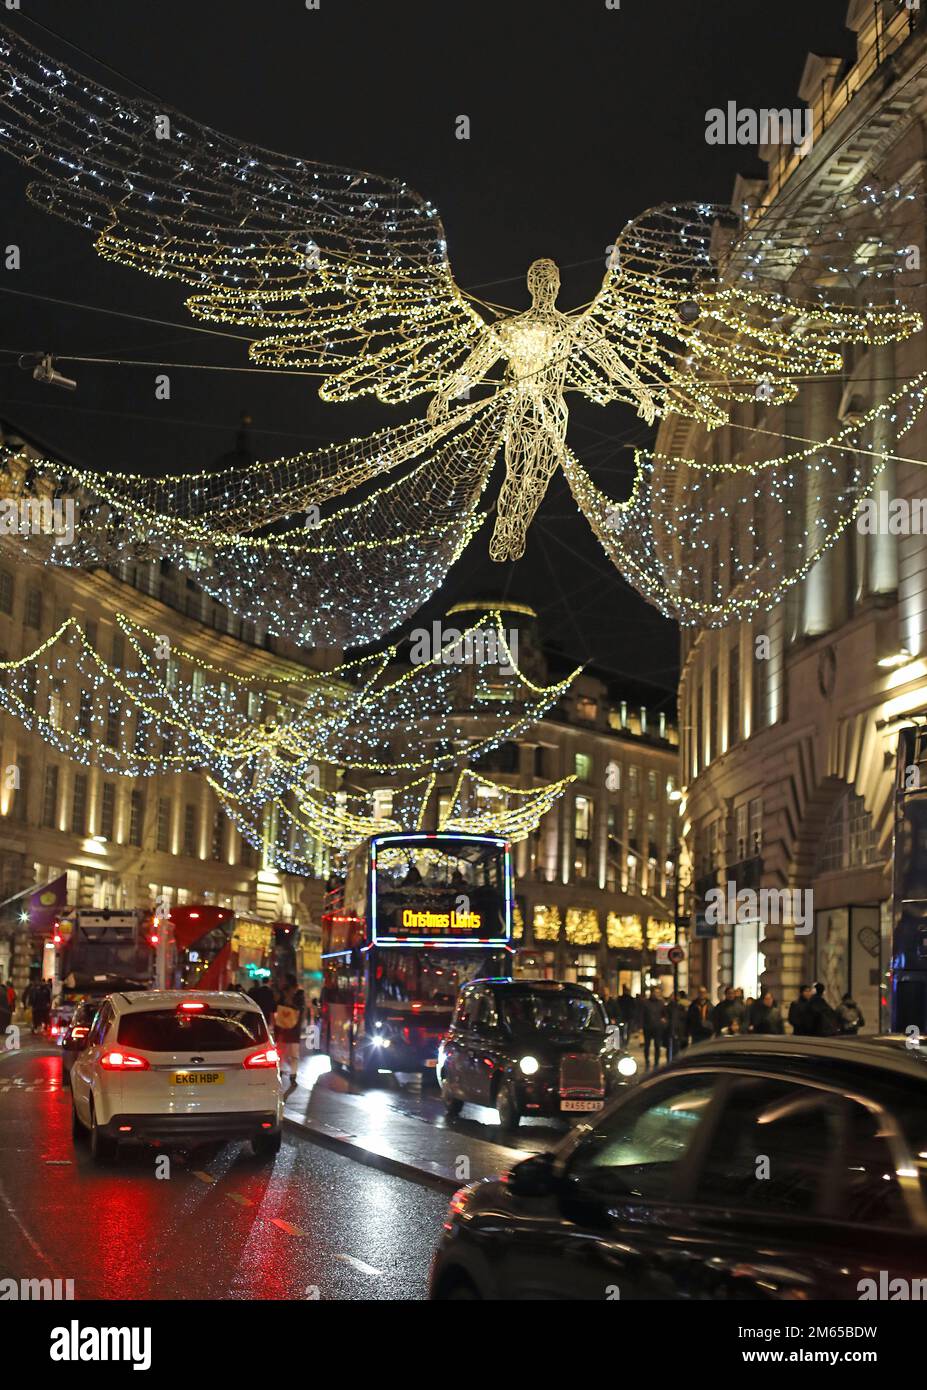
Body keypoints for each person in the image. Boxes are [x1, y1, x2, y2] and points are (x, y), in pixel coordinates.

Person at [274, 973, 305, 1089]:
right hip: (282, 1029)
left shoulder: (299, 995)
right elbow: (276, 1007)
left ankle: (293, 1075)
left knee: (293, 1054)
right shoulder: (282, 993)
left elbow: (300, 1010)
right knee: (281, 1054)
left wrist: (290, 1002)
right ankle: (280, 1073)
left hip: (293, 1029)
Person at [641, 988, 667, 1069]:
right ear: (652, 993)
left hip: (657, 1028)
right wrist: (641, 1026)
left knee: (657, 1045)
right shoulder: (646, 1003)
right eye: (655, 992)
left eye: (658, 993)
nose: (657, 994)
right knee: (647, 1045)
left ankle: (656, 1062)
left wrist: (663, 1020)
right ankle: (647, 1060)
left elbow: (664, 1014)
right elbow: (642, 1015)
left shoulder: (661, 1003)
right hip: (648, 1027)